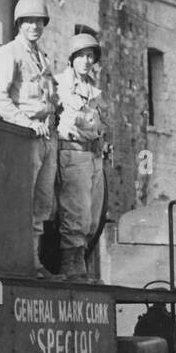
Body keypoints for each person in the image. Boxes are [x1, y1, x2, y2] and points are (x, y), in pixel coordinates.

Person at [0, 0, 59, 278]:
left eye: (39, 21)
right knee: (22, 201)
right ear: (19, 24)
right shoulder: (9, 53)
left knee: (42, 204)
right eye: (29, 21)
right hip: (24, 138)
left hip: (47, 137)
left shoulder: (43, 57)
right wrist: (26, 123)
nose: (34, 26)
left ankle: (35, 263)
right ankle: (20, 262)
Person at [55, 31, 106, 282]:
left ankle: (81, 263)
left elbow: (99, 126)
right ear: (71, 59)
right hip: (72, 153)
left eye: (90, 56)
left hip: (93, 157)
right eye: (81, 56)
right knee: (76, 213)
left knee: (92, 218)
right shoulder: (60, 85)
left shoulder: (93, 91)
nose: (86, 61)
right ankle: (71, 267)